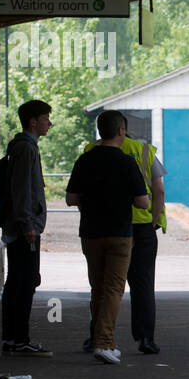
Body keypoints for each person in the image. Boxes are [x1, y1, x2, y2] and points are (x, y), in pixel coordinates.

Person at [66, 110, 148, 365]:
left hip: (91, 233)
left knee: (98, 288)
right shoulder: (127, 162)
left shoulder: (85, 160)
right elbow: (143, 202)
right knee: (113, 289)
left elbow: (70, 198)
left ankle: (106, 342)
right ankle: (103, 343)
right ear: (121, 131)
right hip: (120, 233)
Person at [78, 129, 167, 354]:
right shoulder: (144, 151)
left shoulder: (91, 151)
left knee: (102, 286)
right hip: (141, 226)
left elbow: (80, 193)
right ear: (123, 130)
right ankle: (145, 338)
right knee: (143, 285)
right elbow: (159, 190)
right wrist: (154, 221)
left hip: (105, 225)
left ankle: (96, 337)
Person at [1, 99, 54, 357]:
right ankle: (18, 339)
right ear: (33, 121)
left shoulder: (22, 147)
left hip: (21, 225)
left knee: (19, 281)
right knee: (24, 281)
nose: (49, 123)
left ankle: (13, 338)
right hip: (25, 228)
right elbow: (22, 189)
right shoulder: (26, 149)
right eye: (45, 118)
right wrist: (28, 224)